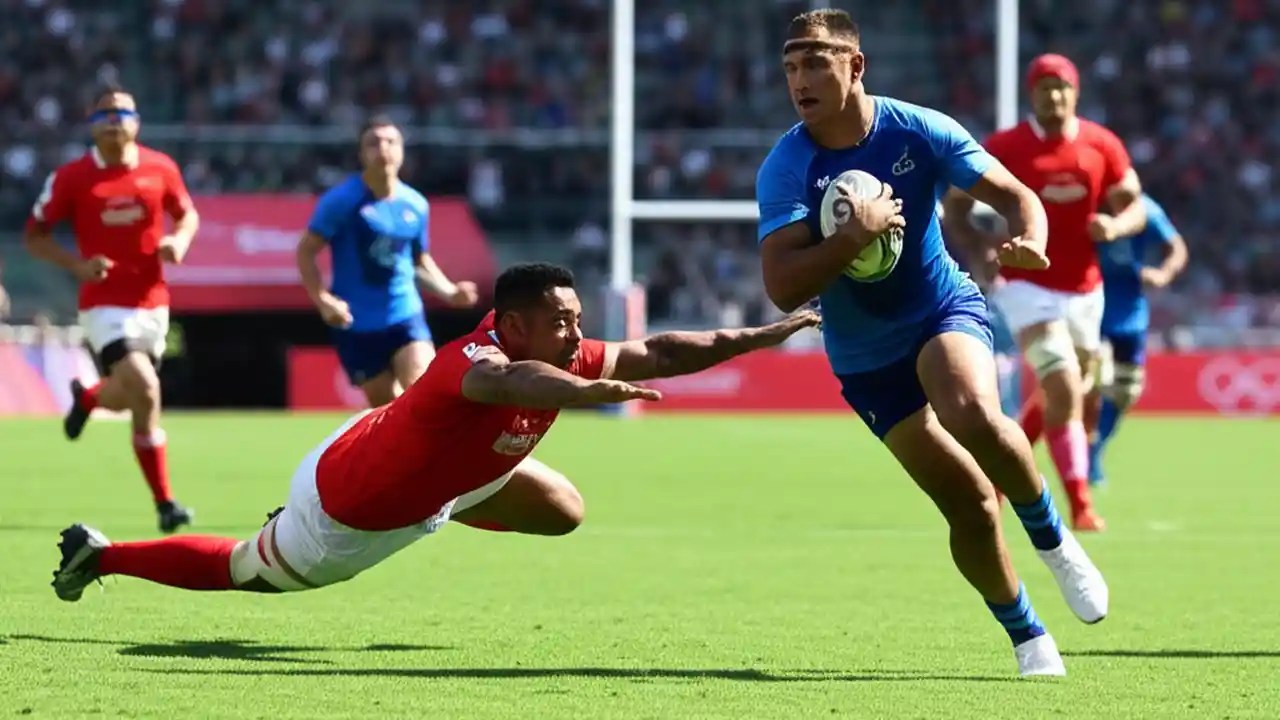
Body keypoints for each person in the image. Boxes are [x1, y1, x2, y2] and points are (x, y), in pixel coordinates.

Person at [50, 263, 821, 598]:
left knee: (564, 512)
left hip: (414, 458)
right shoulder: (475, 360)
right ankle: (102, 554)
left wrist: (756, 335)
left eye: (579, 320)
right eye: (563, 322)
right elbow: (513, 384)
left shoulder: (550, 345)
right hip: (347, 509)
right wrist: (588, 389)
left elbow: (657, 348)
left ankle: (446, 494)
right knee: (245, 569)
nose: (578, 333)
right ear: (512, 325)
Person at [756, 10, 1108, 677]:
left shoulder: (918, 128)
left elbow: (1015, 195)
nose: (798, 79)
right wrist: (852, 238)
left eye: (814, 62)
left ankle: (1056, 543)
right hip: (864, 358)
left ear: (855, 66)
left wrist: (1029, 235)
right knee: (969, 504)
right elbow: (780, 285)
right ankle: (1029, 637)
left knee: (969, 408)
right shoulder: (786, 166)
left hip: (940, 307)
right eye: (790, 67)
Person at [944, 54, 1148, 532]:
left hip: (1085, 291)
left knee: (1068, 395)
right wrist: (978, 249)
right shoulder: (1006, 147)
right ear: (1030, 94)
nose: (1054, 96)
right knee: (1060, 385)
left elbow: (1134, 207)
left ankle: (997, 479)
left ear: (1075, 92)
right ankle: (1078, 505)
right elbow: (954, 205)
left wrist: (1115, 226)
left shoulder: (1103, 145)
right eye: (1044, 88)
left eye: (1062, 87)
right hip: (1025, 286)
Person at [24, 86, 198, 534]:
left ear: (137, 121)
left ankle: (88, 397)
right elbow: (35, 235)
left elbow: (188, 215)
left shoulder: (161, 168)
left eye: (123, 111)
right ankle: (166, 502)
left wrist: (178, 242)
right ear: (91, 125)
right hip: (103, 304)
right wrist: (77, 266)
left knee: (131, 393)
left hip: (152, 302)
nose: (114, 119)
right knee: (145, 386)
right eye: (104, 113)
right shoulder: (72, 177)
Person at [296, 115, 479, 408]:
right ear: (361, 153)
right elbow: (305, 252)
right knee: (388, 409)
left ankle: (440, 453)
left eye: (391, 141)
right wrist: (323, 300)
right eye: (373, 143)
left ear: (402, 149)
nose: (383, 148)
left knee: (424, 392)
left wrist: (449, 291)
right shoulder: (340, 201)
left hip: (404, 315)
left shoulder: (416, 204)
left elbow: (419, 261)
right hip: (356, 323)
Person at [1089, 194, 1188, 484]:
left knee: (1125, 389)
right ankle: (1075, 454)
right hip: (1086, 303)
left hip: (1128, 311)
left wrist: (1164, 273)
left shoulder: (1144, 209)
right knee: (1085, 381)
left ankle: (1095, 448)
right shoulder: (1082, 198)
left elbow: (1176, 246)